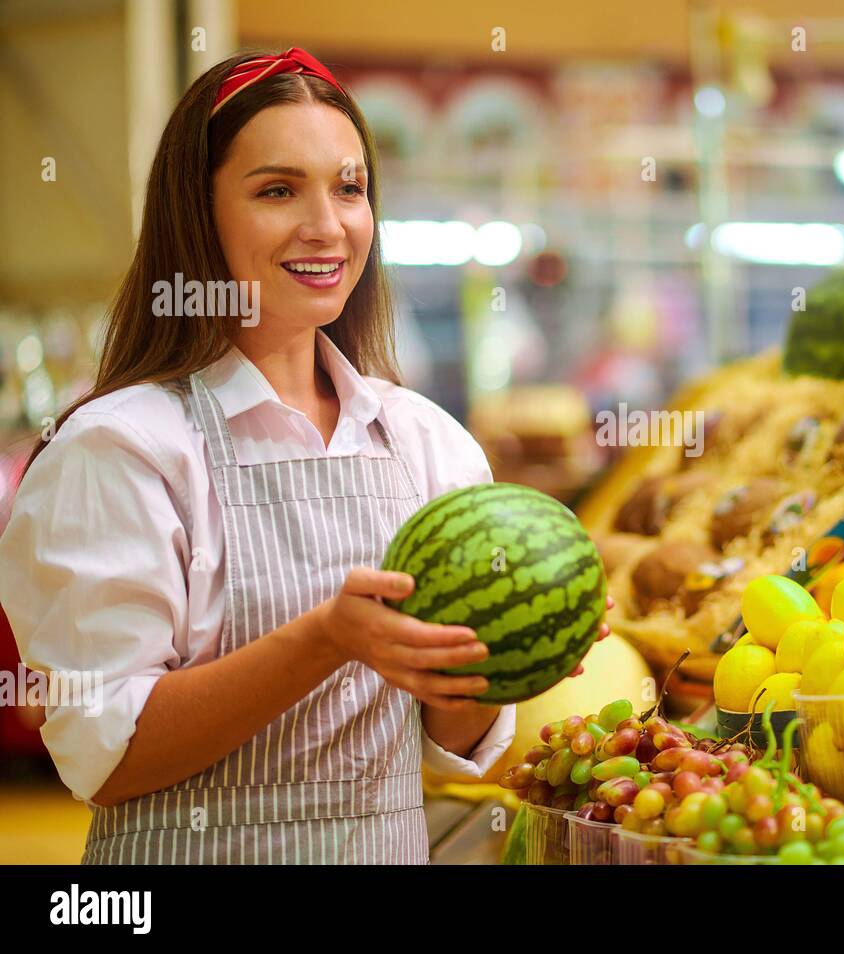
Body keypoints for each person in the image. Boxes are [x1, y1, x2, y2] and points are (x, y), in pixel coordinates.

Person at [0, 47, 608, 864]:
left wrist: (499, 661)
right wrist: (327, 637)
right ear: (197, 216)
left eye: (349, 188)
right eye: (278, 190)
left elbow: (448, 742)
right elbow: (107, 757)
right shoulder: (121, 449)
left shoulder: (427, 442)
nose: (328, 225)